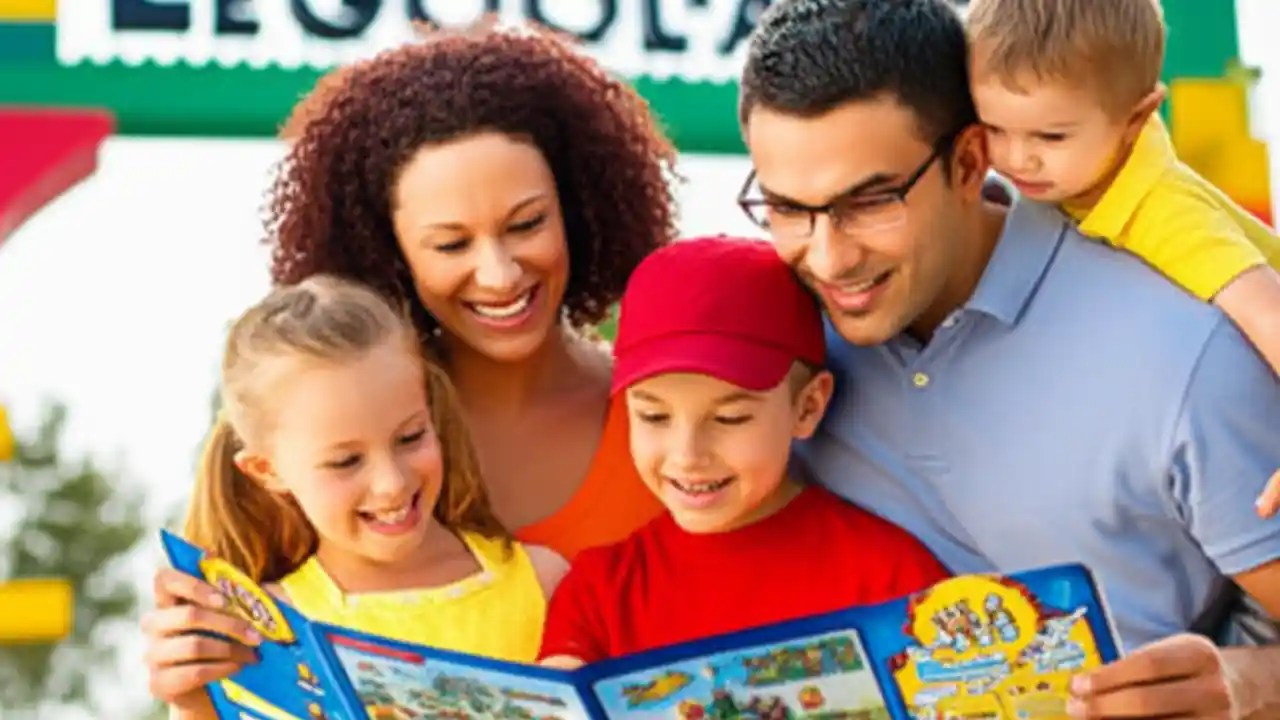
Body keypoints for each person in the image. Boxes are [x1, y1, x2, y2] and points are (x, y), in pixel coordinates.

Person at [734, 1, 1280, 718]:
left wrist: (1250, 686)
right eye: (786, 209)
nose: (829, 258)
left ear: (969, 161)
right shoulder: (775, 352)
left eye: (871, 202)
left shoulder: (1186, 348)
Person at [146, 22, 677, 705]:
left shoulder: (677, 415)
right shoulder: (307, 431)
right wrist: (187, 691)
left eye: (526, 224)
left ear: (575, 210)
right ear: (390, 252)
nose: (500, 273)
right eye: (451, 244)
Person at [149, 276, 567, 719]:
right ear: (267, 471)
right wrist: (192, 705)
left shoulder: (543, 582)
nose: (391, 484)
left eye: (410, 437)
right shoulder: (267, 638)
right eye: (345, 461)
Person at [537, 236, 949, 667]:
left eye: (729, 418)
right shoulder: (599, 594)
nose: (687, 454)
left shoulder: (889, 579)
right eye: (654, 416)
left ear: (807, 406)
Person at [964, 0, 1280, 513]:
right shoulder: (1074, 172)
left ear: (1136, 117)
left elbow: (1268, 310)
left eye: (1051, 136)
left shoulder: (1166, 211)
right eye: (993, 129)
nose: (1016, 158)